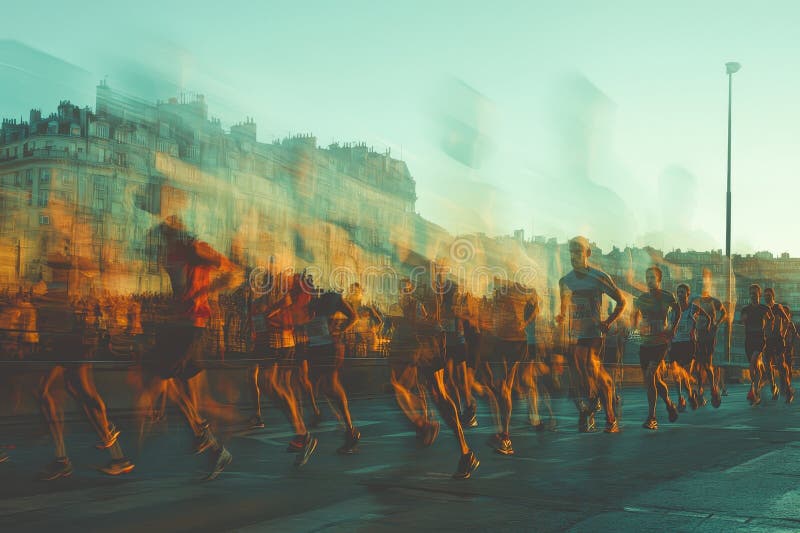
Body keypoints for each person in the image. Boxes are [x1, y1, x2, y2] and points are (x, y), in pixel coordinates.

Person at [137, 216, 237, 480]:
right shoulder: (171, 254)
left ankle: (205, 435)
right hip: (178, 324)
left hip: (193, 323)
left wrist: (204, 293)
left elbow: (231, 271)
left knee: (160, 379)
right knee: (168, 383)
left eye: (166, 232)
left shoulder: (193, 247)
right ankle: (207, 439)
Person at [389, 278, 479, 478]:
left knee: (437, 393)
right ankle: (427, 423)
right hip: (419, 336)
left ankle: (463, 449)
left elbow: (427, 315)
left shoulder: (421, 292)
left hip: (427, 337)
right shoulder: (410, 293)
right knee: (406, 385)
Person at [557, 236, 625, 433]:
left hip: (594, 333)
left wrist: (608, 322)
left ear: (587, 254)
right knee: (582, 373)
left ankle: (610, 417)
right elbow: (563, 306)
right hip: (575, 334)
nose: (574, 256)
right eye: (571, 252)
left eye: (578, 252)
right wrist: (561, 316)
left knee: (587, 364)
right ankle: (597, 397)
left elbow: (622, 302)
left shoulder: (599, 277)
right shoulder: (565, 281)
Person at [631, 266, 681, 430]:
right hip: (646, 342)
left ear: (659, 280)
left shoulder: (667, 296)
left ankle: (652, 417)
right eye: (647, 277)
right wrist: (634, 332)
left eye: (652, 277)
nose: (649, 280)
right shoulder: (642, 298)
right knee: (653, 380)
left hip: (661, 343)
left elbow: (678, 309)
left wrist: (673, 328)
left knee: (651, 373)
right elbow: (634, 314)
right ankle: (669, 404)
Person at [669, 283, 709, 411]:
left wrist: (704, 328)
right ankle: (682, 398)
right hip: (675, 343)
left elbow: (707, 317)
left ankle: (693, 395)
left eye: (682, 292)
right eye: (678, 292)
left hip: (688, 344)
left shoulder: (693, 308)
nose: (680, 295)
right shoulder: (673, 310)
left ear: (687, 294)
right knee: (676, 374)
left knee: (685, 374)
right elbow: (669, 326)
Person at [691, 269, 727, 408]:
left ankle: (713, 388)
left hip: (709, 337)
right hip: (697, 337)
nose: (702, 288)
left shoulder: (714, 301)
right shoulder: (695, 301)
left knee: (707, 364)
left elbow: (724, 313)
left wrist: (717, 323)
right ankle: (700, 389)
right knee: (698, 366)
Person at [740, 284, 774, 406]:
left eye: (755, 293)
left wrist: (767, 324)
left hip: (760, 339)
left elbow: (771, 320)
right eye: (751, 293)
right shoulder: (745, 309)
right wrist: (743, 319)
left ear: (759, 294)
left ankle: (753, 388)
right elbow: (741, 321)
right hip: (749, 339)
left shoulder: (764, 308)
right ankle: (758, 385)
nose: (753, 295)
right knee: (755, 367)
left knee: (753, 361)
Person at [763, 288, 796, 403]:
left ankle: (788, 391)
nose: (766, 297)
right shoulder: (764, 309)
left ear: (773, 296)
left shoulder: (778, 307)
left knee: (781, 366)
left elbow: (788, 321)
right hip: (767, 340)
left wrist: (783, 333)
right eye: (765, 295)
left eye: (768, 295)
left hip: (778, 339)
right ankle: (774, 387)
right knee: (767, 364)